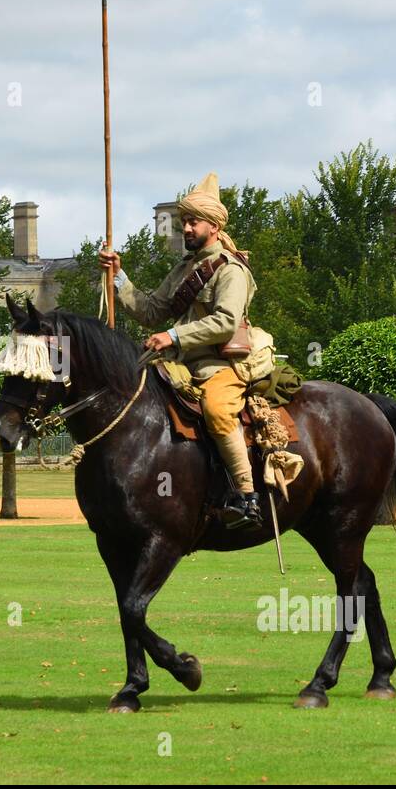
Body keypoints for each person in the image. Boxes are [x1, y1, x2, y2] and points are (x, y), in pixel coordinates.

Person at [99, 172, 269, 529]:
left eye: (193, 222)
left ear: (214, 225)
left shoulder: (231, 270)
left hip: (220, 364)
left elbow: (225, 322)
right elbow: (151, 312)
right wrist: (119, 277)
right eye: (184, 222)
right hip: (179, 365)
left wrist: (173, 337)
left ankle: (247, 496)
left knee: (218, 410)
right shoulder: (183, 269)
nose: (186, 228)